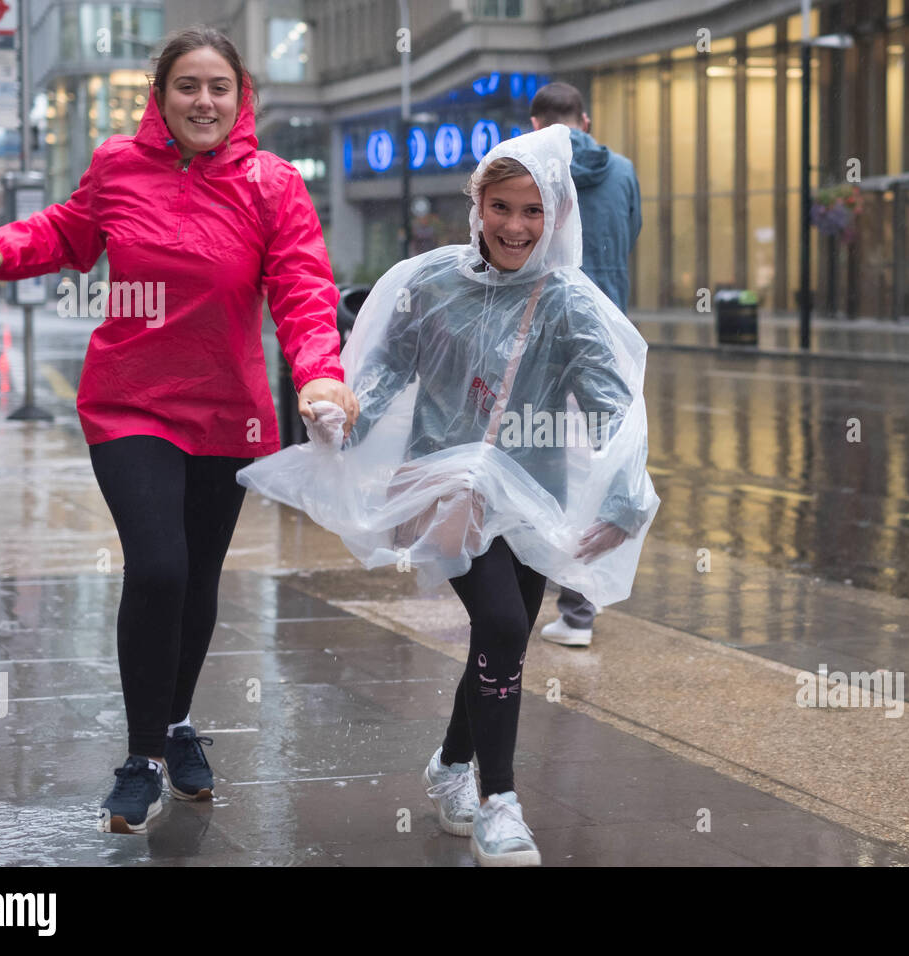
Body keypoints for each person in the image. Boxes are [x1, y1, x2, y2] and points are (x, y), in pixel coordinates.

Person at [0, 25, 358, 835]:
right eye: (187, 86)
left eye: (219, 87)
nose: (203, 101)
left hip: (229, 411)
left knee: (199, 581)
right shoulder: (117, 164)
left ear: (242, 99)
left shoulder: (273, 185)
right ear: (160, 96)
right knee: (159, 566)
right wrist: (1, 248)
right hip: (129, 399)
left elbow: (304, 287)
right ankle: (140, 759)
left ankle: (173, 725)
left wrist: (319, 372)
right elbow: (68, 230)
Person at [238, 124, 659, 865]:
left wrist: (626, 494)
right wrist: (341, 411)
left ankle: (451, 765)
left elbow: (610, 406)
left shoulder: (567, 303)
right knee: (499, 624)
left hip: (532, 494)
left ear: (557, 215)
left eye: (534, 211)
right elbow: (383, 376)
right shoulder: (432, 284)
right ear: (477, 204)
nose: (516, 226)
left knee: (507, 637)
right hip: (446, 490)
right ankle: (500, 799)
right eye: (502, 207)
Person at [530, 81, 643, 647]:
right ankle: (580, 608)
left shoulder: (536, 171)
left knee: (544, 457)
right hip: (611, 334)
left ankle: (536, 583)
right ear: (587, 121)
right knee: (603, 463)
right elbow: (631, 236)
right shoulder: (623, 171)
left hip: (552, 334)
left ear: (535, 125)